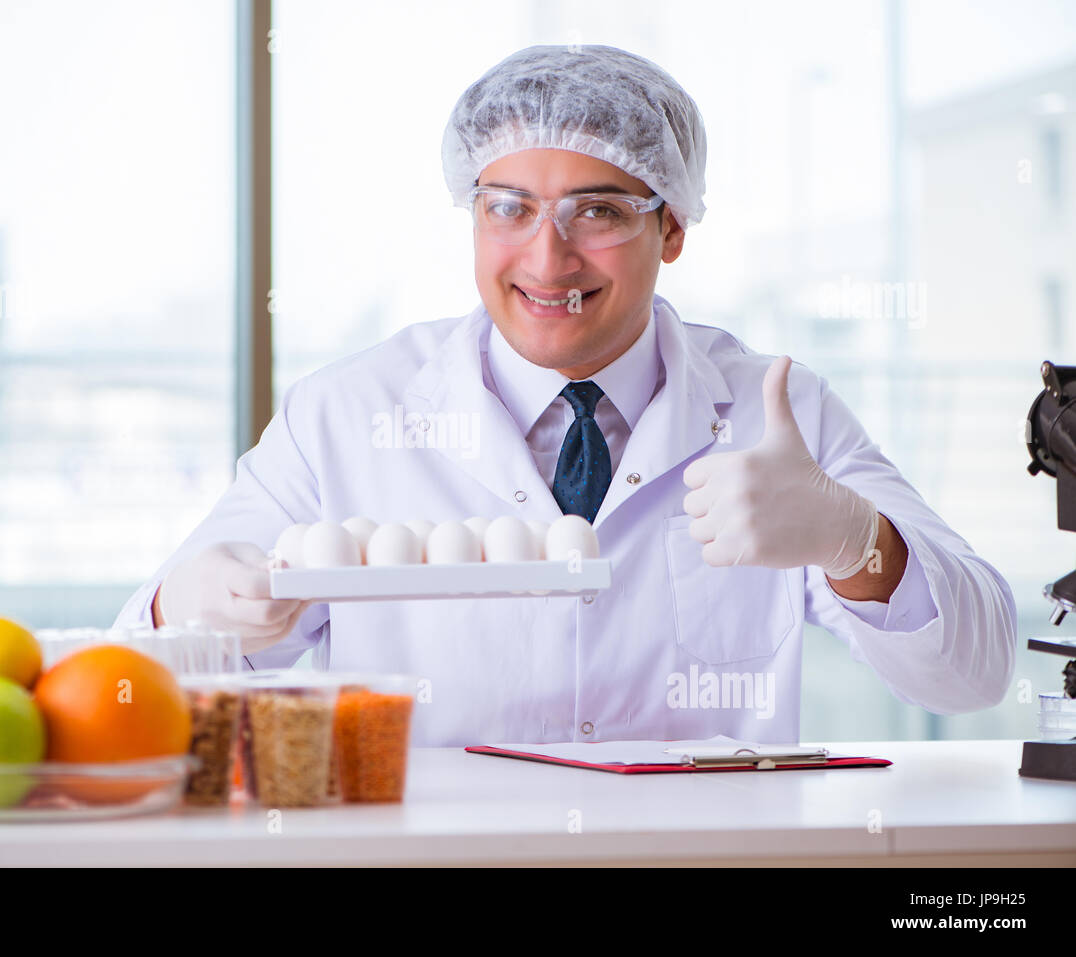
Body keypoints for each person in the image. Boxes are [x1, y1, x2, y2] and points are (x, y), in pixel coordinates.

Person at [115, 44, 1016, 747]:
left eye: (598, 210)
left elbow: (974, 672)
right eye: (508, 207)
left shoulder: (778, 411)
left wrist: (856, 541)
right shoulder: (345, 419)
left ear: (672, 226)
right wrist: (188, 610)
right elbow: (127, 678)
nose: (548, 259)